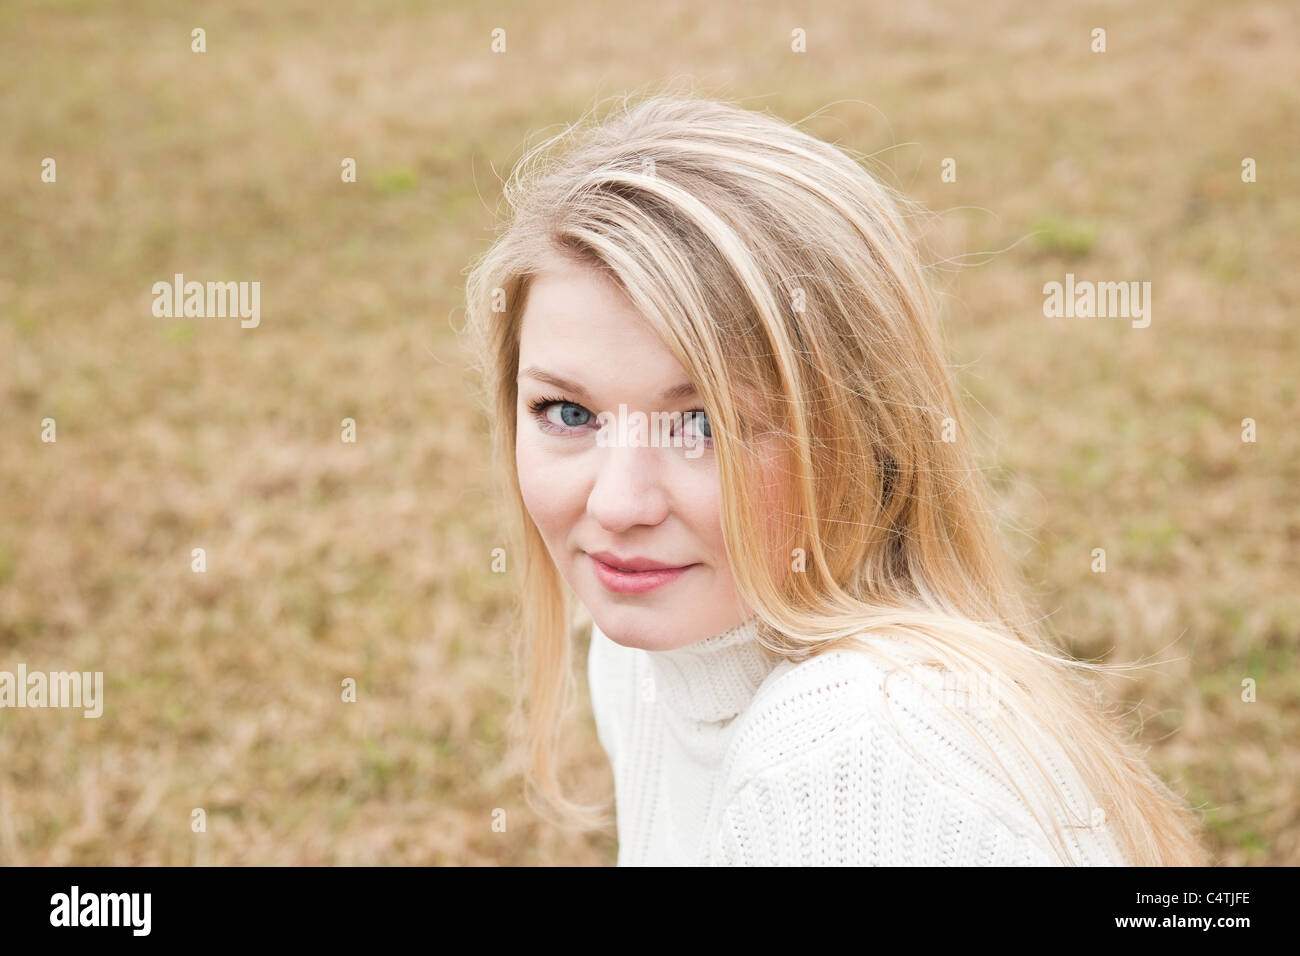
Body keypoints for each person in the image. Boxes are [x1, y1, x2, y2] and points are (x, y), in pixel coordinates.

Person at [461, 91, 1207, 865]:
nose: (617, 505)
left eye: (705, 423)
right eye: (568, 413)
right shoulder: (645, 651)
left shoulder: (844, 755)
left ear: (861, 433)